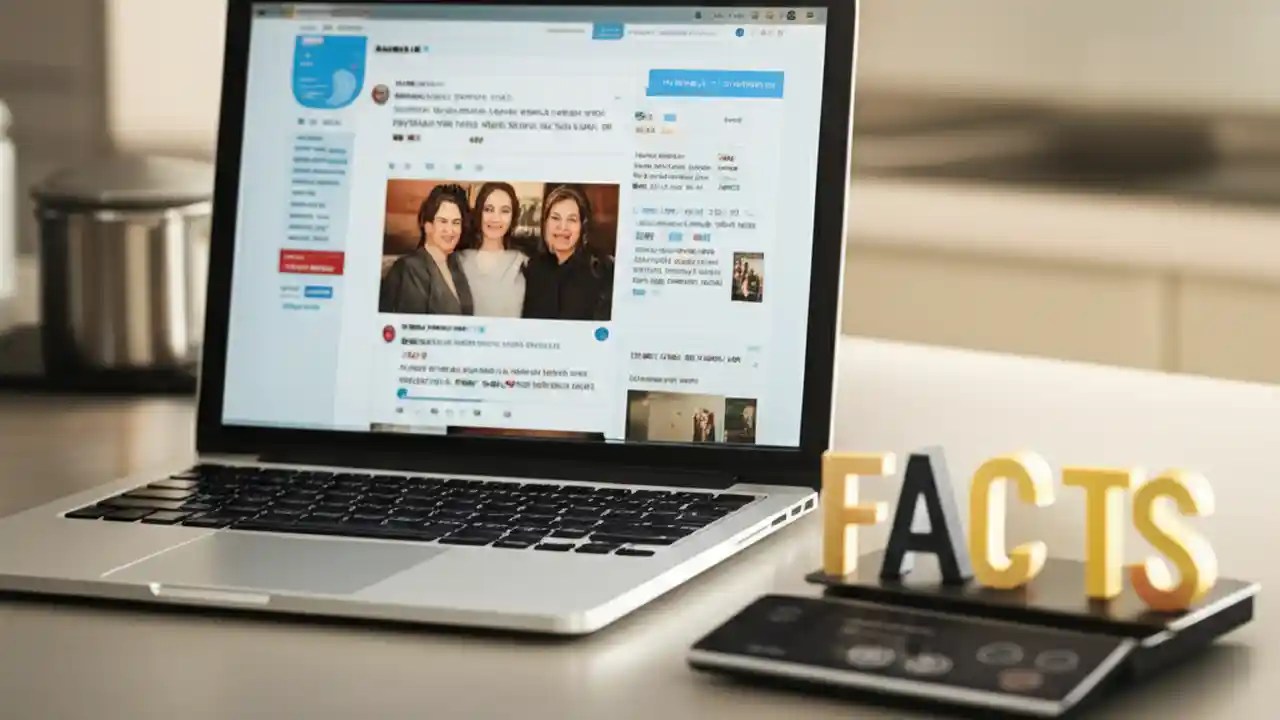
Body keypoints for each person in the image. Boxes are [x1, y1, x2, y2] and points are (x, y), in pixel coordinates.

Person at [379, 184, 474, 315]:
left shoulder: (455, 265)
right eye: (443, 221)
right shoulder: (409, 268)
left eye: (456, 222)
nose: (450, 230)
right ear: (428, 226)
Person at [522, 185, 614, 321]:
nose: (562, 227)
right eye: (555, 218)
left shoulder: (601, 271)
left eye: (572, 220)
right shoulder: (533, 269)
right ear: (545, 223)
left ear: (583, 226)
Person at [456, 182, 527, 318]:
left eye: (505, 211)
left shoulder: (524, 263)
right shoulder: (458, 261)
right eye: (488, 209)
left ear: (513, 216)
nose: (495, 218)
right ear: (479, 212)